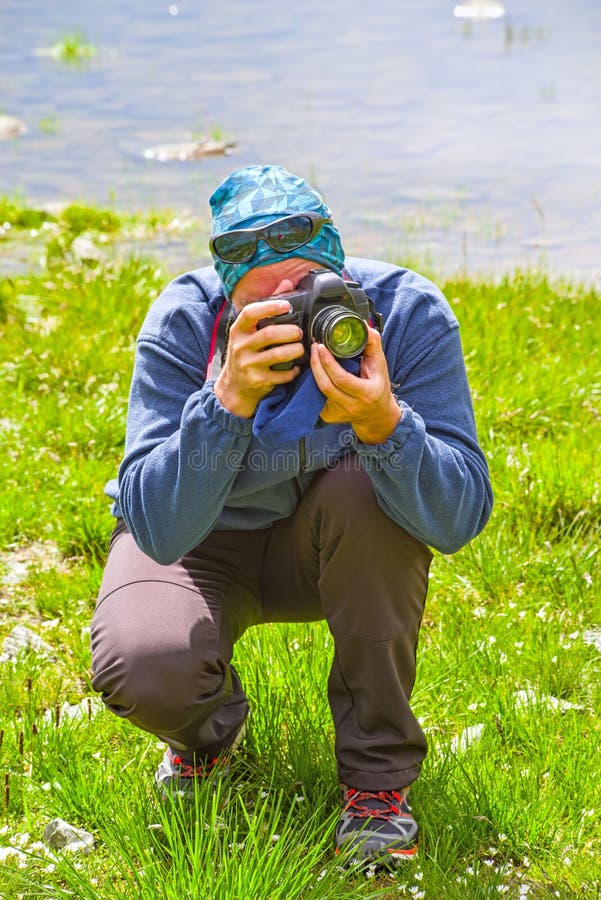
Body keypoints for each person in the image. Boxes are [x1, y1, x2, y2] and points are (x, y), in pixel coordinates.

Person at [91, 164, 493, 866]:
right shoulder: (186, 320)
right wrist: (225, 402)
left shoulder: (403, 312)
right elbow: (155, 528)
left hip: (335, 545)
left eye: (308, 291)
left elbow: (456, 519)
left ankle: (377, 787)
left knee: (365, 486)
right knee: (147, 669)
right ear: (227, 293)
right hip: (199, 542)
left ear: (338, 267)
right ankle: (206, 731)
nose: (295, 311)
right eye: (266, 305)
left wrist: (384, 425)